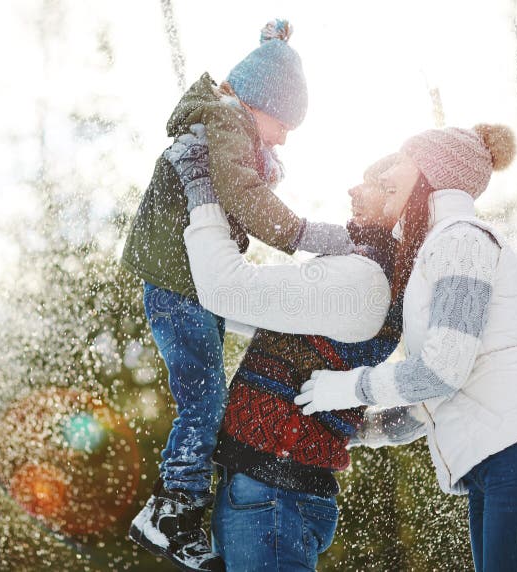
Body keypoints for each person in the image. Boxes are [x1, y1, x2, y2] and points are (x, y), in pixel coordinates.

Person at [295, 124, 517, 571]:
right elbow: (433, 396)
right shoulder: (440, 244)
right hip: (507, 456)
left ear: (431, 170)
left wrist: (348, 388)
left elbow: (441, 370)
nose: (386, 172)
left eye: (398, 161)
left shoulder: (462, 240)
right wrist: (357, 429)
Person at [122, 19, 355, 572]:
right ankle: (170, 512)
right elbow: (245, 199)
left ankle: (176, 508)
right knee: (203, 401)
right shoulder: (224, 123)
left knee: (208, 400)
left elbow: (242, 195)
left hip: (191, 288)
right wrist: (313, 236)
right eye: (283, 123)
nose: (284, 135)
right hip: (179, 286)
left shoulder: (229, 127)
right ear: (257, 104)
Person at [174, 143, 405, 570]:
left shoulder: (362, 278)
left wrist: (200, 187)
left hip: (272, 496)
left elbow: (229, 290)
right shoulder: (372, 274)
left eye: (376, 184)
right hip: (274, 492)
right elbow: (254, 312)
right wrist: (353, 425)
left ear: (399, 202)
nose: (354, 189)